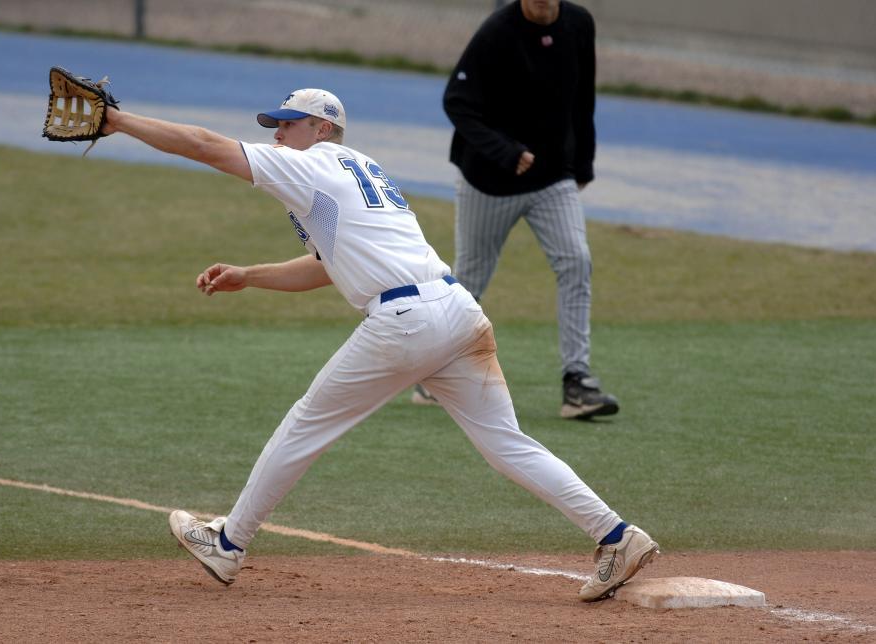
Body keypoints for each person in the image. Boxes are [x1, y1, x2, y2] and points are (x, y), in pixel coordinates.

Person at [101, 87, 658, 601]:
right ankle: (616, 535)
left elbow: (205, 145)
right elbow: (326, 267)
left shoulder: (313, 163)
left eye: (287, 124)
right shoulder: (360, 168)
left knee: (306, 424)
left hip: (406, 322)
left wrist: (119, 121)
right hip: (458, 314)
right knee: (507, 444)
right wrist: (250, 274)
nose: (276, 135)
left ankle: (227, 545)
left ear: (321, 129)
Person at [412, 0, 618, 421]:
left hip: (552, 178)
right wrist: (506, 152)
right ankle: (433, 368)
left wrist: (583, 163)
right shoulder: (496, 32)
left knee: (576, 261)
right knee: (469, 280)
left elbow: (583, 97)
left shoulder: (579, 24)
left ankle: (577, 381)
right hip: (488, 180)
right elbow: (457, 101)